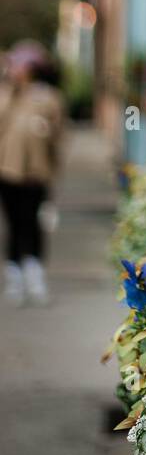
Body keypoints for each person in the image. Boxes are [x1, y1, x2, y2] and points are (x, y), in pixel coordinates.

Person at [0, 40, 65, 306]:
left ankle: (34, 276)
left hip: (37, 171)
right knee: (13, 224)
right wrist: (12, 90)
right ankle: (14, 278)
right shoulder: (6, 94)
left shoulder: (48, 96)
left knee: (33, 224)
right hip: (7, 169)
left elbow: (58, 134)